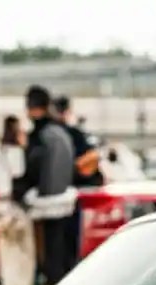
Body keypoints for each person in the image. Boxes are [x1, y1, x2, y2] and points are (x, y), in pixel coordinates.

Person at [13, 85, 77, 285]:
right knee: (61, 248)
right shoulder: (62, 133)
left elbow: (32, 167)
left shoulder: (40, 136)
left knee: (46, 251)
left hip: (44, 203)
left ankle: (47, 284)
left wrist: (21, 192)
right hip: (64, 201)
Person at [0, 115, 36, 285]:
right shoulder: (18, 153)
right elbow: (21, 178)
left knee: (6, 254)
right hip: (17, 208)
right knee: (24, 252)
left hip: (1, 208)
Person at [53, 95, 102, 264]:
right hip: (72, 194)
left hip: (51, 195)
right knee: (70, 242)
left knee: (56, 242)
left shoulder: (48, 134)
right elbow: (92, 161)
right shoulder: (75, 134)